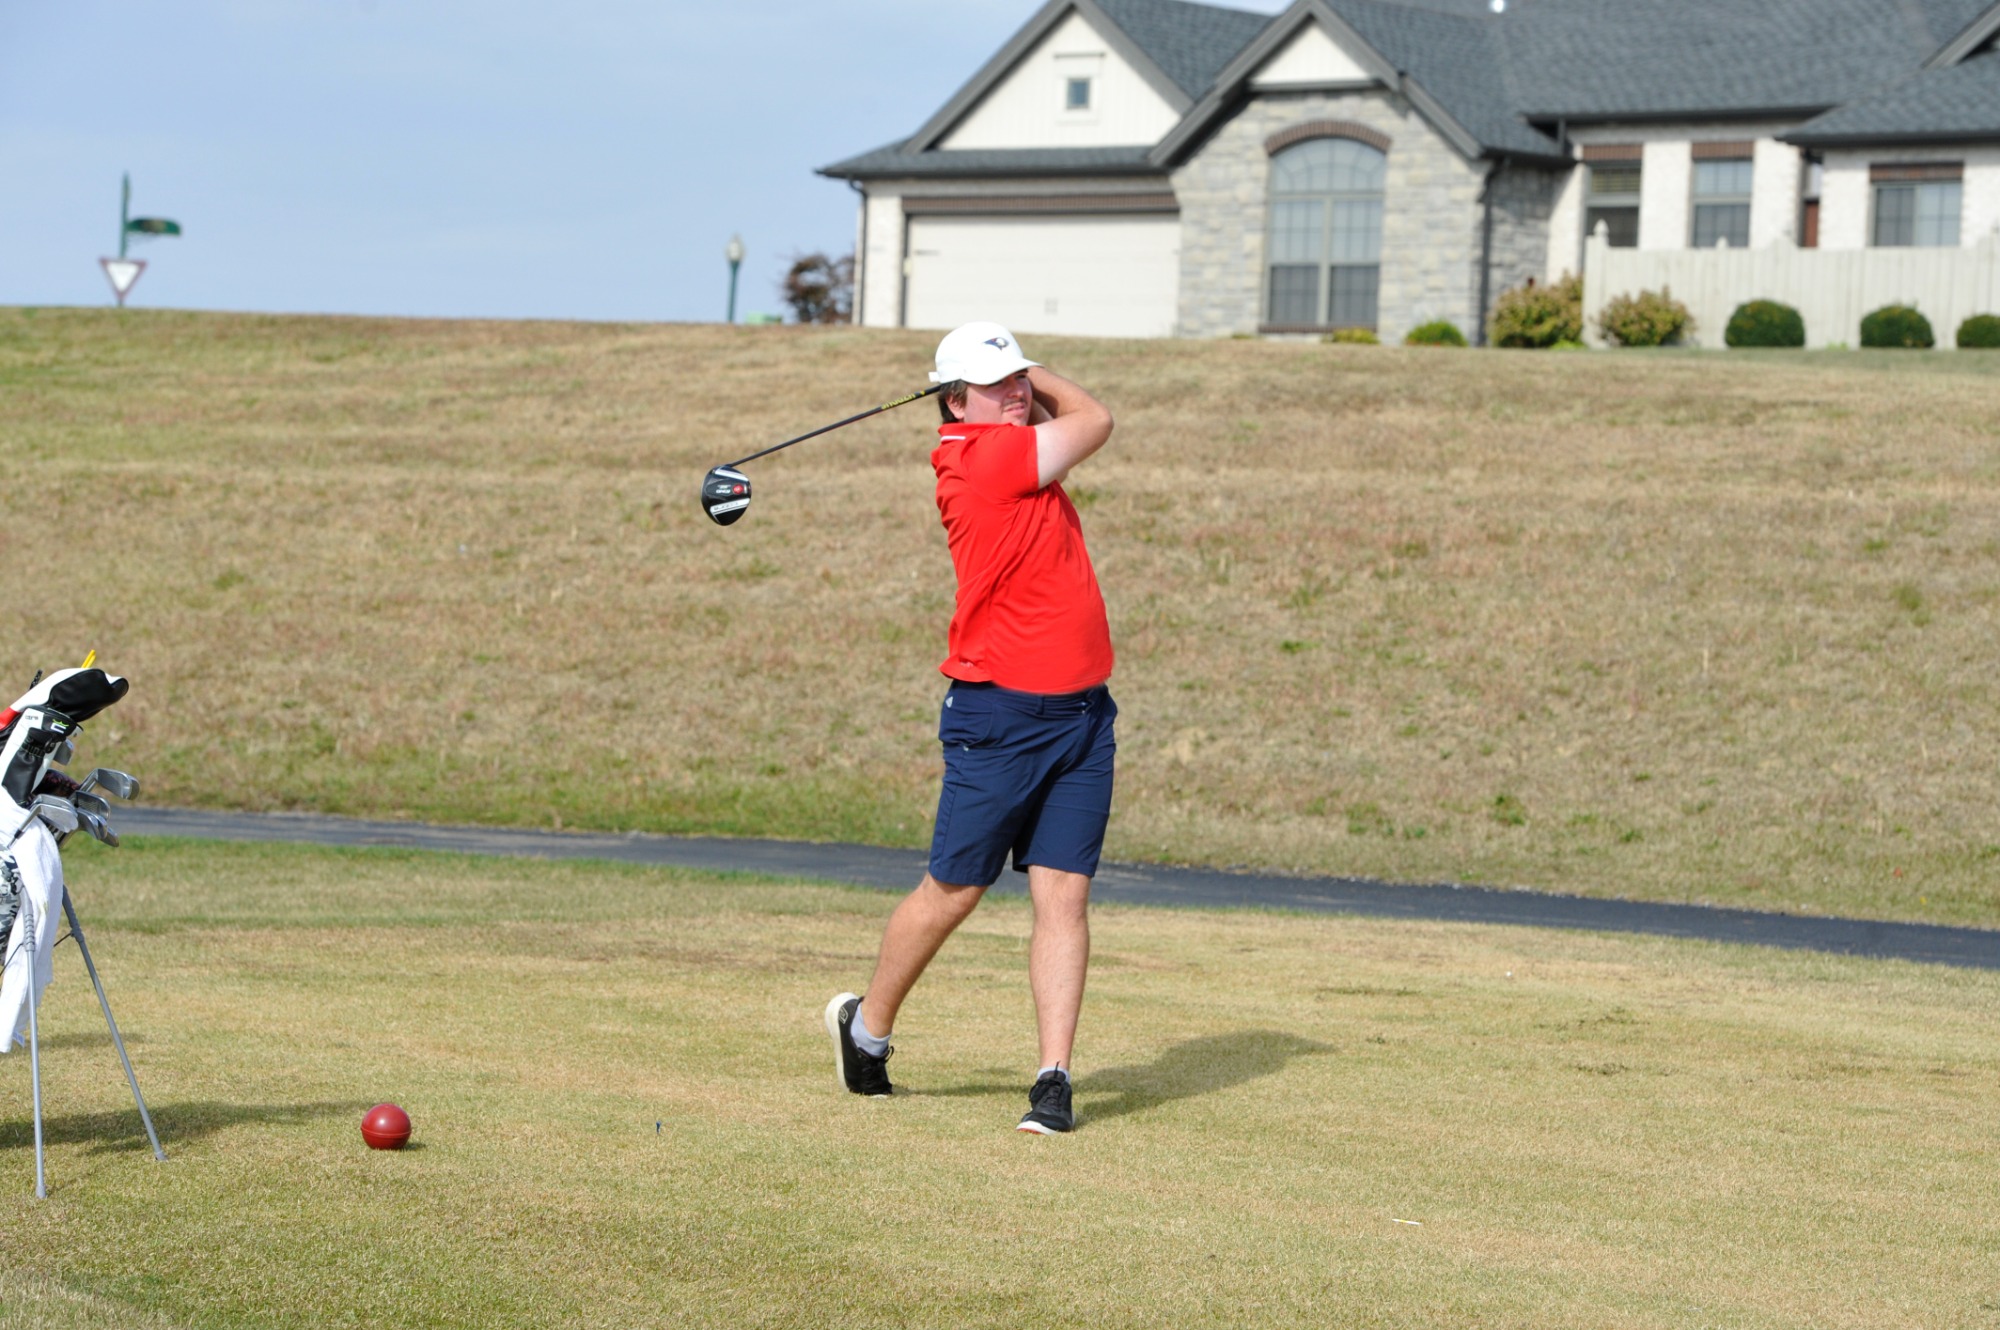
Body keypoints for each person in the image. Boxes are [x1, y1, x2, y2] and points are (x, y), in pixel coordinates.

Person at [825, 321, 1118, 1135]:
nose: (1019, 391)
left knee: (1065, 899)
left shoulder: (1009, 442)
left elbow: (1069, 423)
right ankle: (867, 1026)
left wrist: (1017, 374)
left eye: (1020, 378)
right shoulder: (982, 458)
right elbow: (1095, 419)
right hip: (1000, 715)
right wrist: (1049, 375)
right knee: (955, 891)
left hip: (1083, 715)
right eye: (999, 383)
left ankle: (1053, 1080)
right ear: (954, 400)